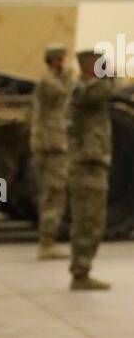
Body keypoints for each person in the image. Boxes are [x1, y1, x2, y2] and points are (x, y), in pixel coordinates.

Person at [67, 48, 114, 291]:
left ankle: (82, 270)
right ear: (87, 65)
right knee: (88, 220)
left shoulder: (88, 87)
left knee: (92, 219)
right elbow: (104, 91)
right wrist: (109, 74)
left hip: (93, 163)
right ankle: (80, 272)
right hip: (86, 164)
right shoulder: (84, 88)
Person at [30, 44, 71, 260]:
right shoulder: (49, 82)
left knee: (52, 192)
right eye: (62, 59)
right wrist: (67, 76)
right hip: (51, 145)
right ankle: (47, 242)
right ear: (56, 61)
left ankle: (48, 240)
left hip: (51, 143)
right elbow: (67, 92)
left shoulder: (50, 80)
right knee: (54, 192)